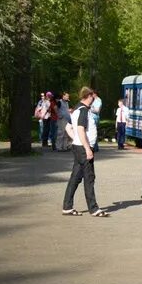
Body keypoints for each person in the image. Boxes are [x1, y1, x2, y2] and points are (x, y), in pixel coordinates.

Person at [61, 87, 109, 218]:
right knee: (89, 178)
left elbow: (68, 126)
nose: (94, 99)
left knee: (75, 177)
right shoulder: (83, 111)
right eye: (93, 96)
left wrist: (74, 138)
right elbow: (81, 130)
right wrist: (87, 148)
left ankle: (67, 206)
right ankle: (93, 209)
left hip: (78, 146)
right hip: (83, 148)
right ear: (88, 96)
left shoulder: (77, 109)